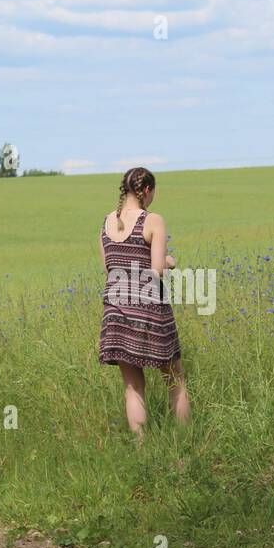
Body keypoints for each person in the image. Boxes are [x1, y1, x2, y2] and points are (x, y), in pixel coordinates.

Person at [98, 166, 191, 437]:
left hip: (115, 310)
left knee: (133, 387)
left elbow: (110, 269)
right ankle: (185, 440)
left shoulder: (105, 223)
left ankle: (141, 449)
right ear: (146, 190)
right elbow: (156, 270)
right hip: (149, 309)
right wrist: (169, 261)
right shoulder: (153, 220)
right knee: (175, 378)